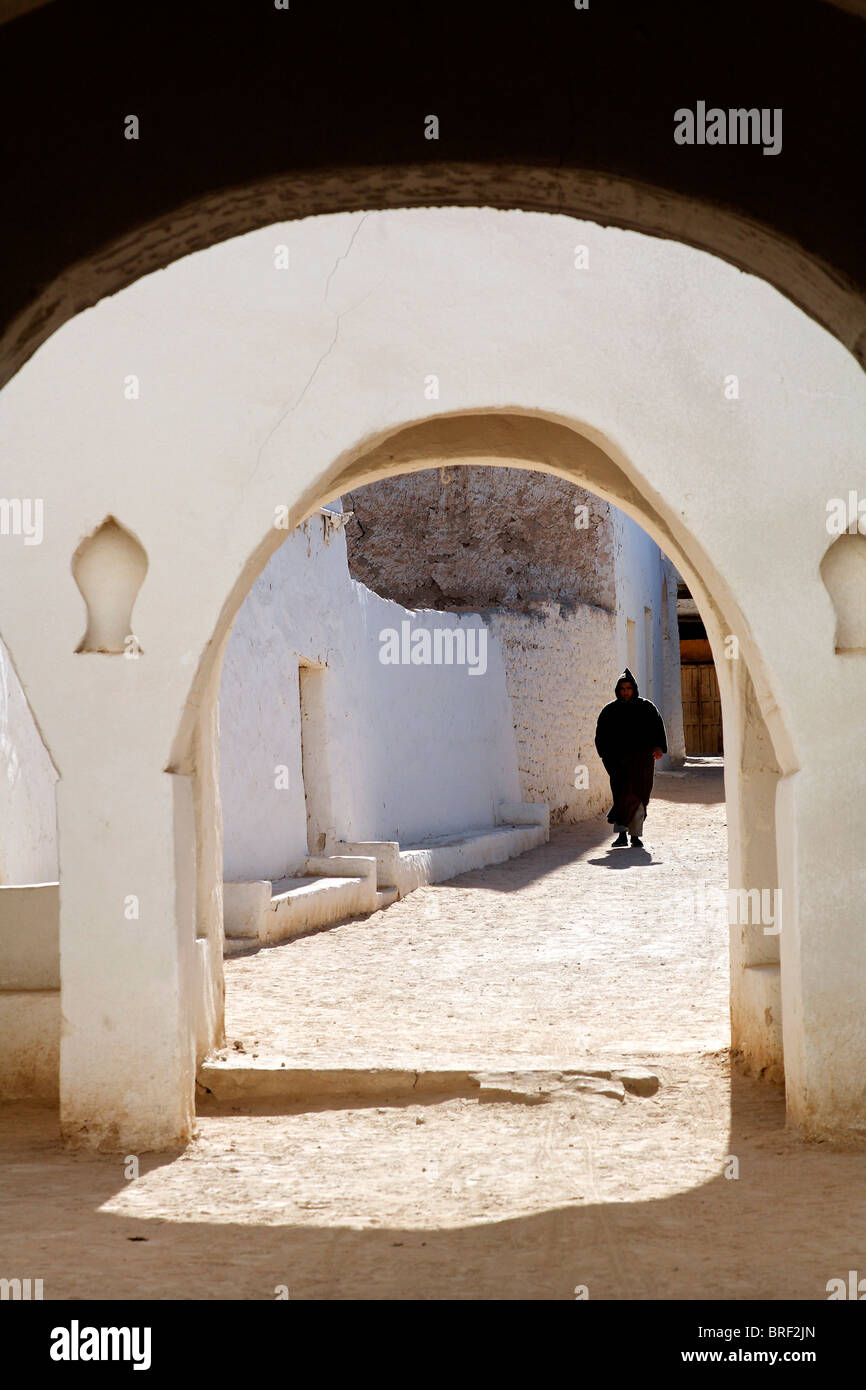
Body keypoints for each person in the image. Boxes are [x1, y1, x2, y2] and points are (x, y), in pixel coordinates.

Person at [594, 667, 666, 848]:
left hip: (642, 763)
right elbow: (601, 737)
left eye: (629, 688)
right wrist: (607, 757)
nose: (626, 692)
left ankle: (635, 835)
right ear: (618, 690)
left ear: (634, 689)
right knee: (621, 796)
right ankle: (621, 836)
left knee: (639, 797)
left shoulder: (647, 708)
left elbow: (658, 729)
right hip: (619, 765)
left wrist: (658, 747)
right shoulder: (610, 711)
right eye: (622, 689)